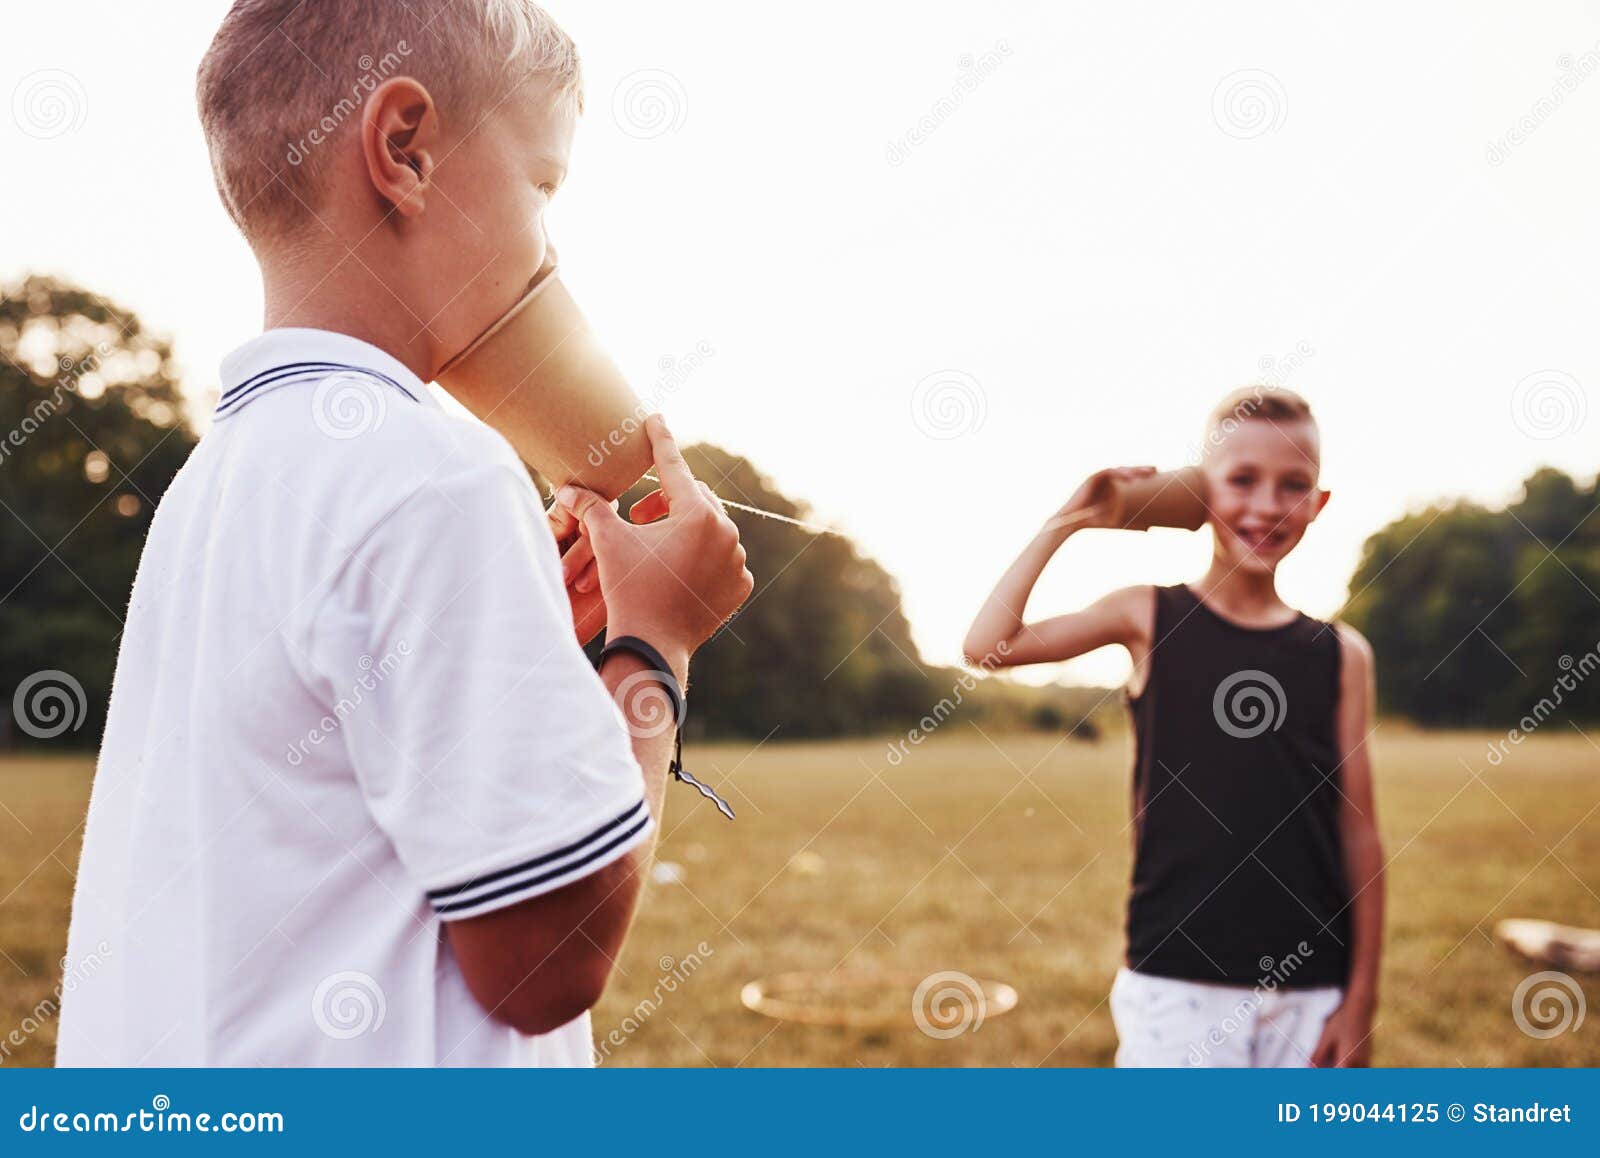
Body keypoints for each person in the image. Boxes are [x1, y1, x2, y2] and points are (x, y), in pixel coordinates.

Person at [56, 0, 751, 1066]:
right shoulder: (437, 474)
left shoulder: (221, 473)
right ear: (404, 149)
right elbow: (543, 964)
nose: (549, 242)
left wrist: (546, 651)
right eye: (541, 185)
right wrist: (656, 644)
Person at [964, 388, 1384, 1067]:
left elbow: (1359, 831)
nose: (1268, 505)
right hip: (1177, 975)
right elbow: (988, 646)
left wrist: (1361, 998)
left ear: (1319, 503)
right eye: (1242, 479)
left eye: (1293, 485)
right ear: (1196, 494)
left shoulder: (1343, 654)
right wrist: (1067, 520)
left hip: (1312, 984)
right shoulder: (1147, 616)